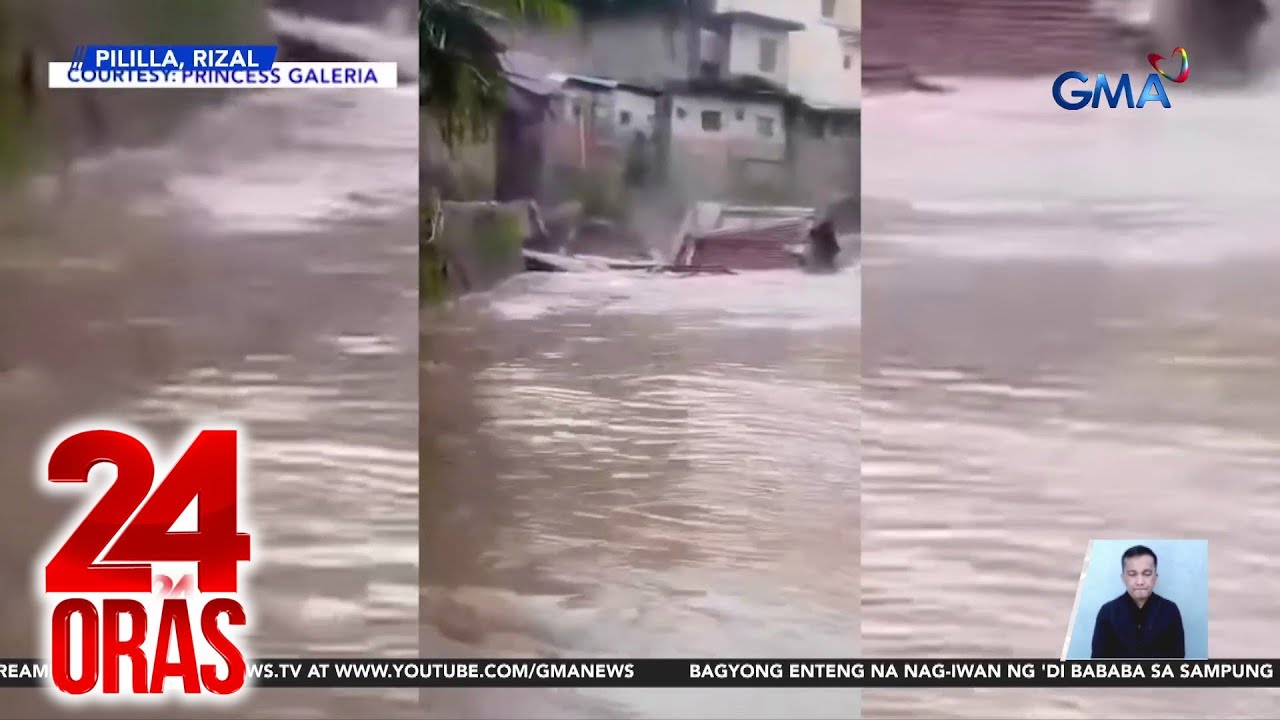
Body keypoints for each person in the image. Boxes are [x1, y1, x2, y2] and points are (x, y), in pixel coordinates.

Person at [1091, 545, 1185, 659]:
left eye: (1147, 574)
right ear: (1123, 578)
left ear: (1155, 577)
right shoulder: (1107, 612)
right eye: (1132, 574)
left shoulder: (1170, 610)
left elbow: (1178, 659)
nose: (1140, 582)